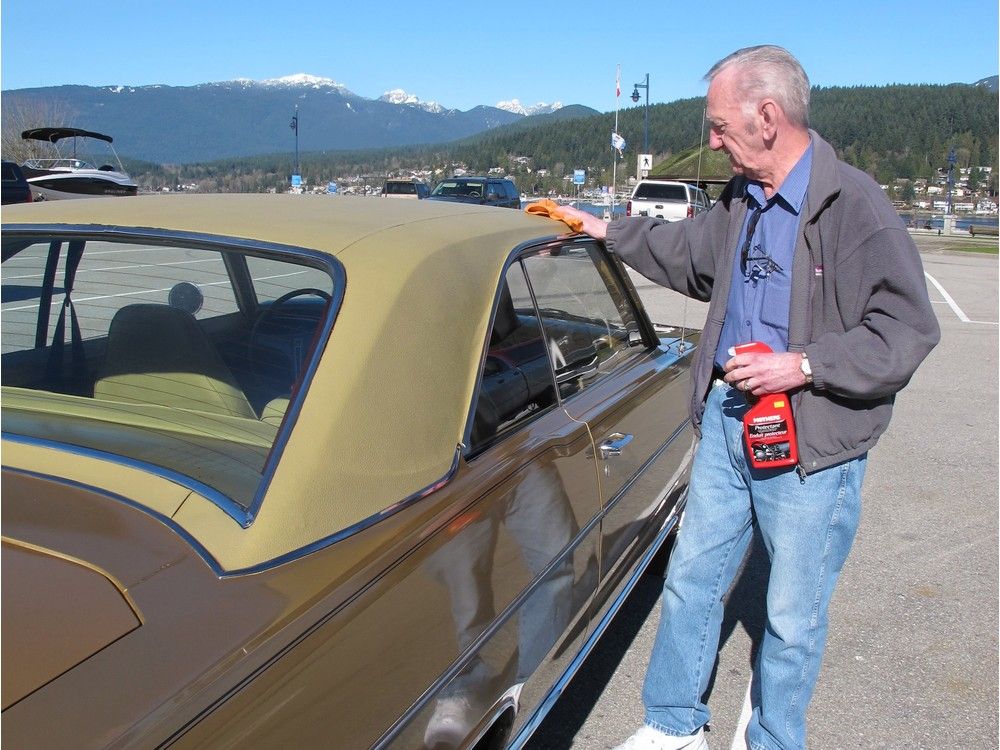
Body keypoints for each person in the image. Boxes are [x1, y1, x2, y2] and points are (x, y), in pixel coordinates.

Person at [558, 45, 939, 750]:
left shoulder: (854, 206)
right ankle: (673, 726)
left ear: (767, 117)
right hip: (731, 425)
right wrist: (606, 230)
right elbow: (689, 254)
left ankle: (772, 738)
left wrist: (804, 364)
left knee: (792, 616)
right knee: (691, 580)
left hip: (811, 444)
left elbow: (907, 330)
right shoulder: (741, 200)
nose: (710, 140)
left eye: (718, 124)